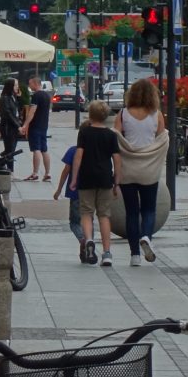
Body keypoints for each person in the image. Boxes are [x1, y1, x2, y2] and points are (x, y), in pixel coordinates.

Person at [115, 78, 169, 265]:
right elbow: (161, 139)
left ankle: (134, 255)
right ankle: (146, 236)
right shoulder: (157, 115)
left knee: (131, 212)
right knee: (148, 209)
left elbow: (116, 139)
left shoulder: (123, 114)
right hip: (149, 170)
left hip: (128, 170)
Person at [71, 100, 122, 266]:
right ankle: (107, 253)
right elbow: (117, 159)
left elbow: (78, 156)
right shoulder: (111, 135)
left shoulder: (84, 133)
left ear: (90, 115)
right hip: (105, 177)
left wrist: (74, 178)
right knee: (104, 215)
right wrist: (117, 182)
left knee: (86, 212)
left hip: (86, 177)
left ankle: (89, 240)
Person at [21, 76, 54, 182]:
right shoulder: (46, 95)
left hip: (35, 126)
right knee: (44, 149)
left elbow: (32, 111)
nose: (29, 86)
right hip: (44, 125)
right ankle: (47, 173)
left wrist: (25, 124)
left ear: (35, 83)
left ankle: (35, 173)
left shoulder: (36, 96)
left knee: (36, 149)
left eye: (30, 84)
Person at [52, 141, 83, 244]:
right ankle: (88, 241)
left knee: (75, 222)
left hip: (75, 192)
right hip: (91, 191)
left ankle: (82, 240)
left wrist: (59, 189)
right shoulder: (96, 150)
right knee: (88, 221)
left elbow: (66, 170)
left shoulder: (73, 150)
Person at [0, 78, 21, 168]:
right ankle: (9, 170)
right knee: (10, 150)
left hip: (13, 127)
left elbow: (16, 112)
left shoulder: (13, 97)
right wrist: (18, 125)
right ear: (10, 86)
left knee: (10, 150)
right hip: (8, 127)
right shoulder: (5, 98)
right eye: (15, 85)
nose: (17, 87)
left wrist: (19, 97)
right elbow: (8, 113)